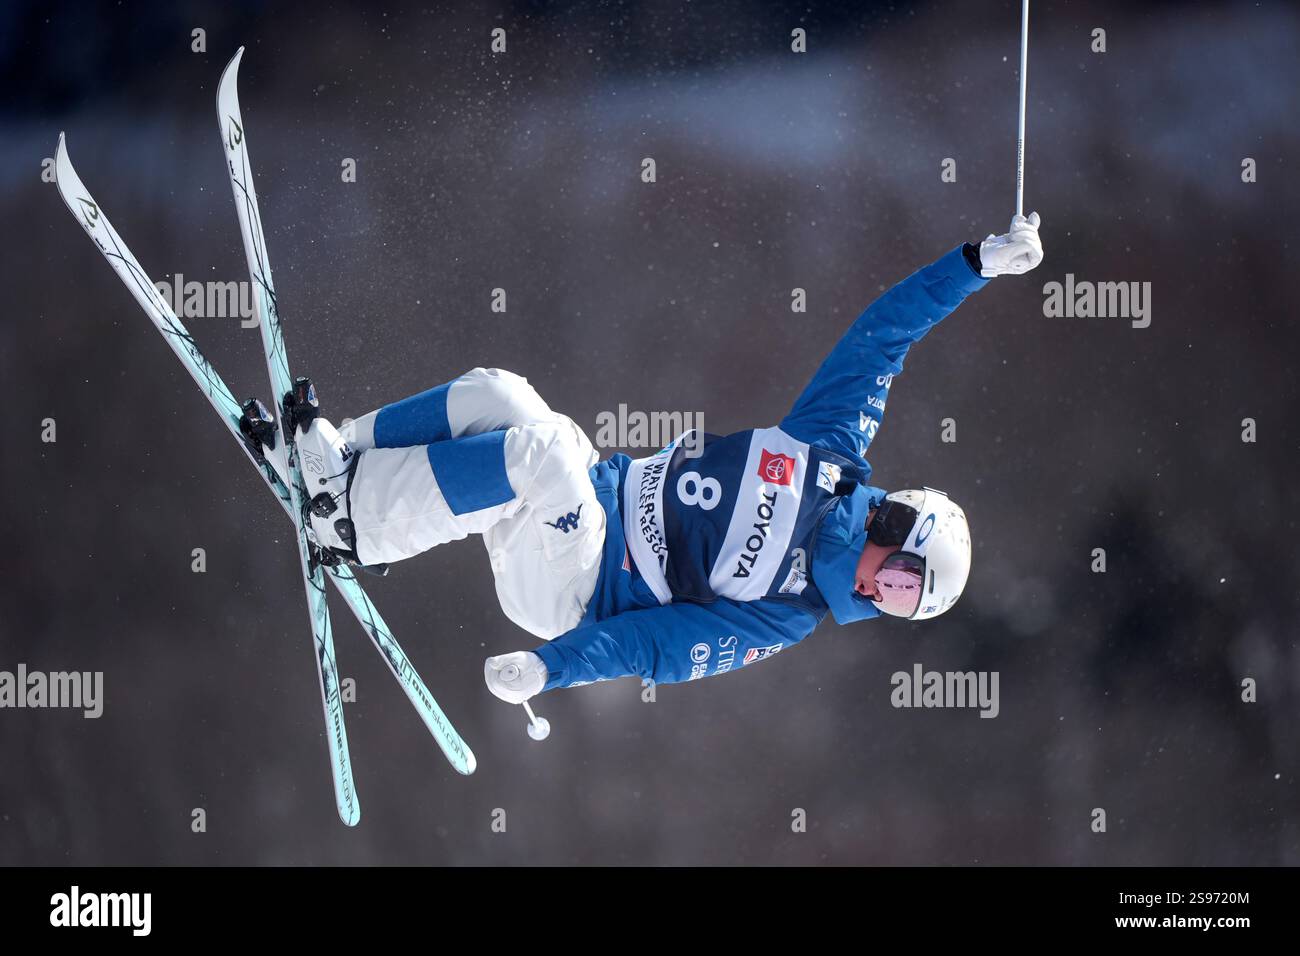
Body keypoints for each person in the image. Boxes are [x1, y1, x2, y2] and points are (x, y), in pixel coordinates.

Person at [293, 213, 1044, 705]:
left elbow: (660, 648)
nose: (888, 596)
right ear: (897, 518)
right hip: (592, 493)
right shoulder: (829, 449)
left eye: (908, 605)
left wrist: (553, 669)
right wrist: (976, 264)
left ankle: (355, 527)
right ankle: (340, 455)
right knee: (502, 395)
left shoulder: (787, 615)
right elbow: (884, 336)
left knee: (545, 452)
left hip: (576, 592)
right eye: (908, 577)